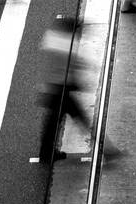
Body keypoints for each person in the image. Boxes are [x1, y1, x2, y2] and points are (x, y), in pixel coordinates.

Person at [35, 18, 118, 160]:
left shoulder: (53, 39)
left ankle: (46, 153)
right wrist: (82, 81)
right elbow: (72, 69)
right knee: (81, 120)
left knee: (54, 124)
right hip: (61, 91)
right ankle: (107, 151)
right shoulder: (69, 46)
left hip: (51, 89)